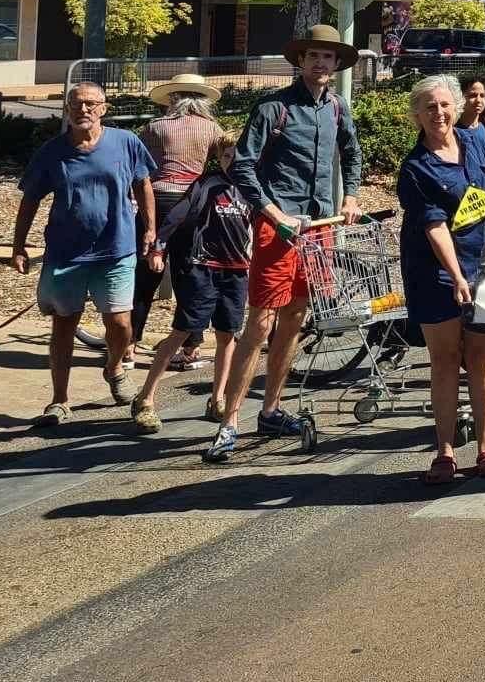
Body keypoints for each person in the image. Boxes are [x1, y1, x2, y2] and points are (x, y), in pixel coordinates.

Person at [203, 25, 364, 464]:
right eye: (313, 56)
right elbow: (244, 165)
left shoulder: (336, 108)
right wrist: (271, 212)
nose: (320, 64)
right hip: (279, 226)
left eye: (328, 58)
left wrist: (350, 196)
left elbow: (352, 154)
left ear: (336, 65)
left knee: (295, 317)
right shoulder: (274, 108)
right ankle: (229, 421)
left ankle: (270, 409)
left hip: (319, 226)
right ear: (300, 60)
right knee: (259, 325)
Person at [10, 83, 157, 424]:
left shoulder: (126, 142)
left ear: (103, 109)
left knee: (121, 324)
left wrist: (150, 228)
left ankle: (115, 367)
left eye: (91, 104)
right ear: (66, 109)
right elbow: (30, 198)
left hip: (116, 249)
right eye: (76, 104)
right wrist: (19, 245)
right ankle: (60, 400)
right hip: (66, 254)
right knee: (63, 326)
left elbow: (143, 184)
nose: (84, 110)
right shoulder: (52, 151)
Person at [396, 74, 485, 484]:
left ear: (455, 108)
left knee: (480, 358)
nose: (438, 113)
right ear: (417, 117)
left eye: (444, 105)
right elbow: (434, 227)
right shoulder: (415, 168)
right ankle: (444, 451)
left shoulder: (475, 141)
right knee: (444, 360)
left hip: (481, 266)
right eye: (429, 108)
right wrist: (457, 276)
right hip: (436, 273)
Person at [130, 130, 251, 433]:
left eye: (238, 156)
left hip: (236, 270)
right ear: (217, 158)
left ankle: (217, 397)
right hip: (203, 266)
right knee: (182, 331)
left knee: (228, 335)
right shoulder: (208, 184)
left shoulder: (253, 189)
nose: (231, 162)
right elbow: (178, 215)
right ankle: (145, 397)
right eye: (225, 156)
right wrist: (159, 246)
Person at [130, 73, 224, 368]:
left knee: (145, 276)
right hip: (194, 203)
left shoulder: (155, 127)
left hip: (157, 199)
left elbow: (140, 166)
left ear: (173, 99)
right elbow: (226, 156)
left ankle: (129, 344)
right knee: (190, 273)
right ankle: (191, 343)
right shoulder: (211, 128)